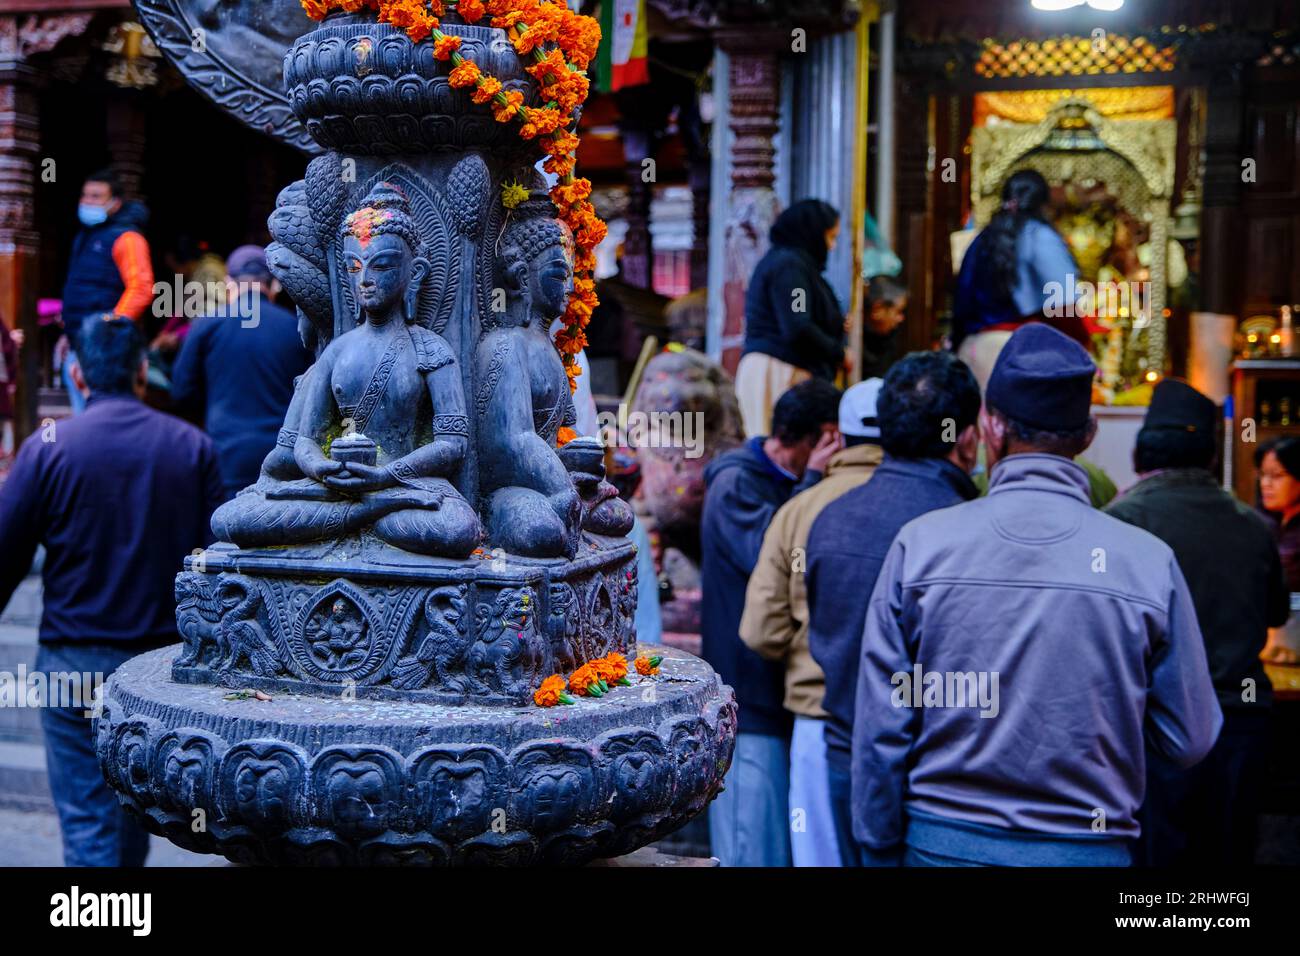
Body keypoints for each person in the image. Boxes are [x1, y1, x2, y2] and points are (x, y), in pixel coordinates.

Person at [852, 323, 1221, 867]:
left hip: (942, 847)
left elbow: (883, 725)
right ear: (1089, 432)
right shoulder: (1146, 562)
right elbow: (1190, 737)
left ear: (991, 427)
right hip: (1088, 851)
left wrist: (878, 845)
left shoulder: (922, 546)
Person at [0, 316, 223, 866]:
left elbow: (5, 551)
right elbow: (215, 568)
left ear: (77, 373)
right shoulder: (190, 447)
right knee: (131, 819)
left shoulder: (48, 448)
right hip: (154, 671)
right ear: (142, 371)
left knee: (88, 826)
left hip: (71, 664)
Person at [806, 351, 981, 866]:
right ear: (966, 439)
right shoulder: (965, 528)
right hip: (943, 782)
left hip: (846, 755)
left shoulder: (830, 517)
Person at [1105, 379, 1287, 866]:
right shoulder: (1252, 526)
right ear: (1210, 455)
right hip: (1239, 726)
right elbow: (1273, 613)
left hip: (1152, 731)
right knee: (1227, 862)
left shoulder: (1119, 523)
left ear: (1143, 453)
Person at [739, 378, 886, 866]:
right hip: (913, 720)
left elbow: (761, 629)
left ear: (836, 437)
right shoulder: (934, 504)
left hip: (817, 719)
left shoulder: (799, 510)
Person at [701, 378, 842, 866]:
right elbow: (778, 556)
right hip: (747, 701)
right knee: (749, 848)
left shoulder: (772, 481)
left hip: (776, 699)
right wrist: (814, 485)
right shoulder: (735, 483)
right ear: (822, 435)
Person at [172, 245, 313, 501]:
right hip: (282, 456)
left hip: (223, 452)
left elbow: (182, 391)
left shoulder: (206, 325)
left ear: (228, 284)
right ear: (274, 285)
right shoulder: (296, 329)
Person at [953, 169, 1085, 391]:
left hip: (971, 351)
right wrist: (1080, 347)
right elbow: (1064, 306)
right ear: (1044, 204)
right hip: (1019, 354)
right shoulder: (1039, 236)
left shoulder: (980, 240)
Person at [736, 200, 845, 437]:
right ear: (814, 233)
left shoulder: (797, 265)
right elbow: (797, 324)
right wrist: (839, 352)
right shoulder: (790, 267)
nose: (832, 246)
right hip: (776, 372)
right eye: (830, 236)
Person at [59, 169, 154, 414]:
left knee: (104, 416)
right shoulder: (86, 236)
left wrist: (109, 327)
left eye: (96, 196)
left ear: (115, 203)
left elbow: (141, 288)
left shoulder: (127, 238)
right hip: (78, 344)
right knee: (85, 417)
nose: (87, 202)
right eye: (85, 196)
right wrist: (67, 334)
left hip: (108, 350)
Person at [1257, 436, 1300, 663]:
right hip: (1267, 639)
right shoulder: (1258, 522)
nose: (1266, 484)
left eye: (1277, 476)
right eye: (1263, 475)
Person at [859, 276, 909, 380]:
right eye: (898, 311)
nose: (901, 318)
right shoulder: (854, 340)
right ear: (877, 309)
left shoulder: (888, 337)